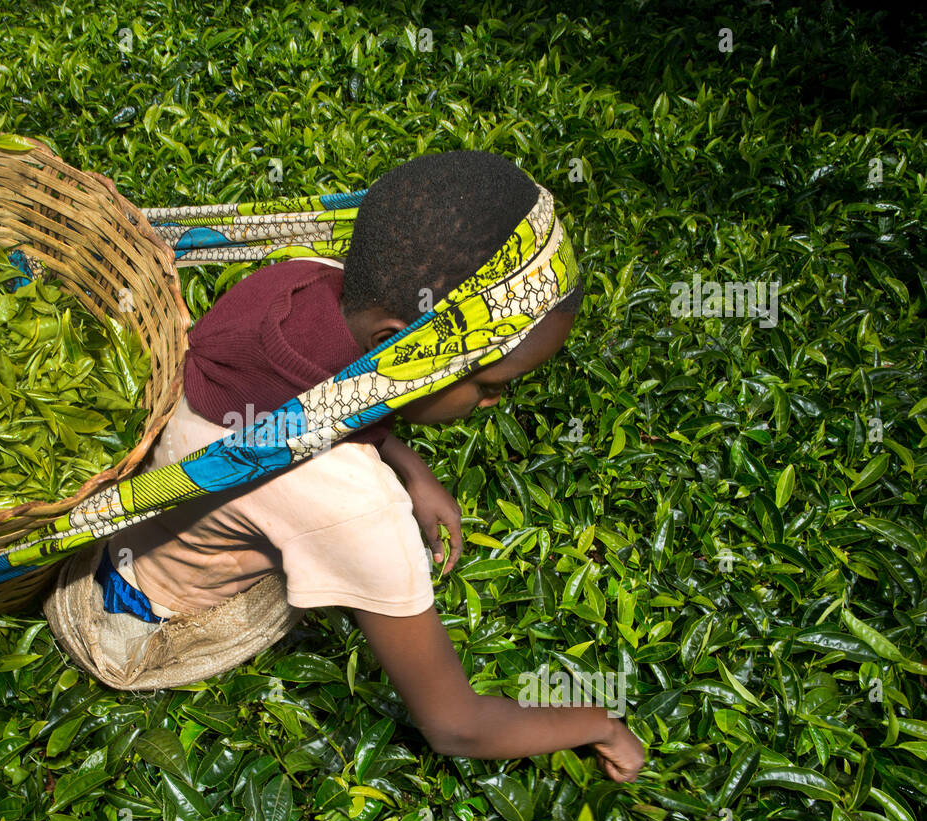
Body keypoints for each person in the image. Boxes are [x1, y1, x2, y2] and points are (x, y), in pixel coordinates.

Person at [53, 151, 645, 782]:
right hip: (151, 620)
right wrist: (599, 724)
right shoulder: (354, 501)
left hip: (128, 521)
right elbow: (455, 724)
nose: (496, 402)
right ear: (396, 339)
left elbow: (325, 395)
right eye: (492, 383)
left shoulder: (292, 282)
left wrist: (411, 466)